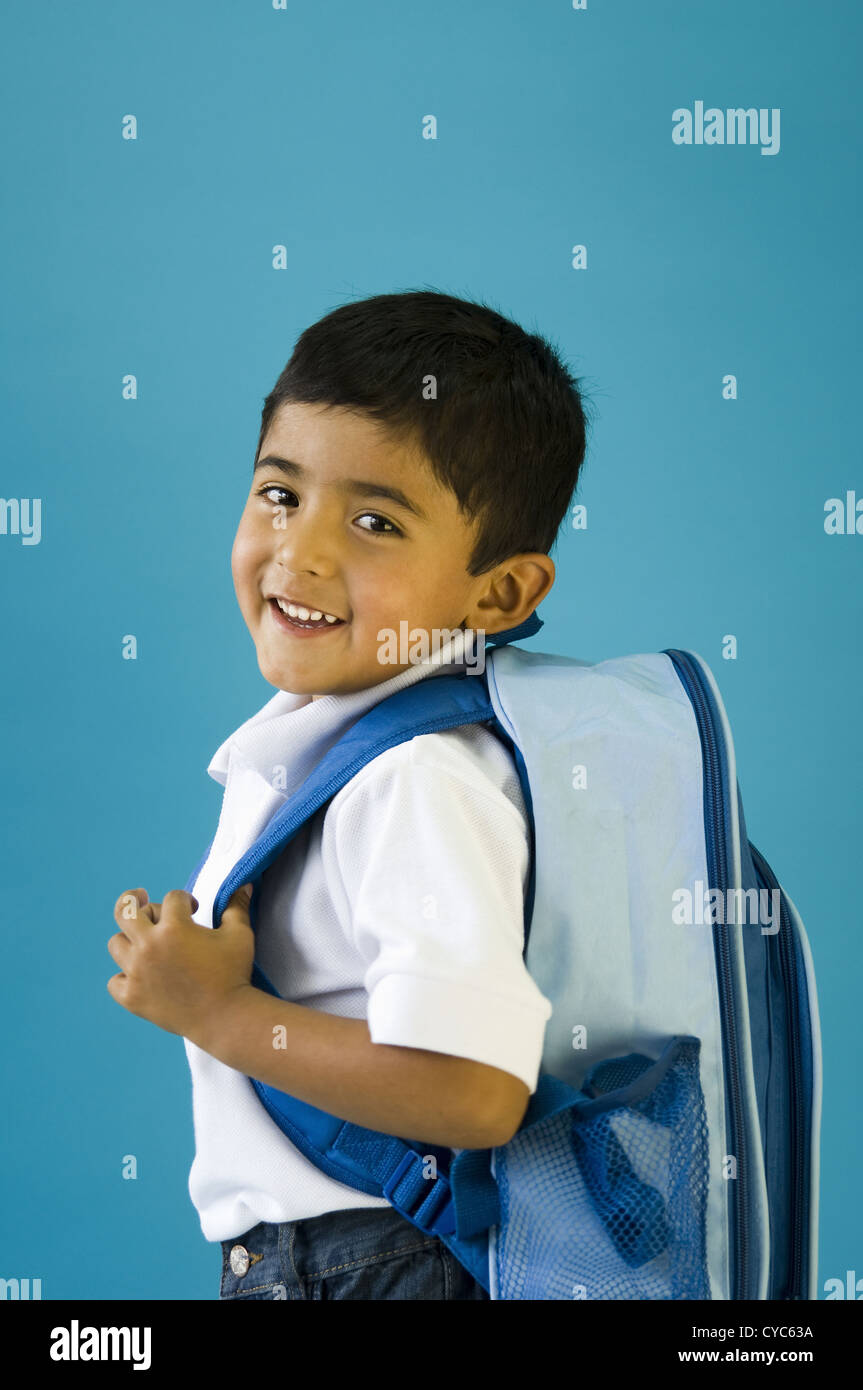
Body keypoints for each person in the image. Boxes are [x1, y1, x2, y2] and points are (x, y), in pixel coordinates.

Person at [107, 287, 593, 1299]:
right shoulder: (347, 745)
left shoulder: (414, 776)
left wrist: (220, 1011)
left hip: (366, 1265)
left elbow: (473, 1091)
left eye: (374, 519)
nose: (304, 550)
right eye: (280, 493)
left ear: (497, 592)